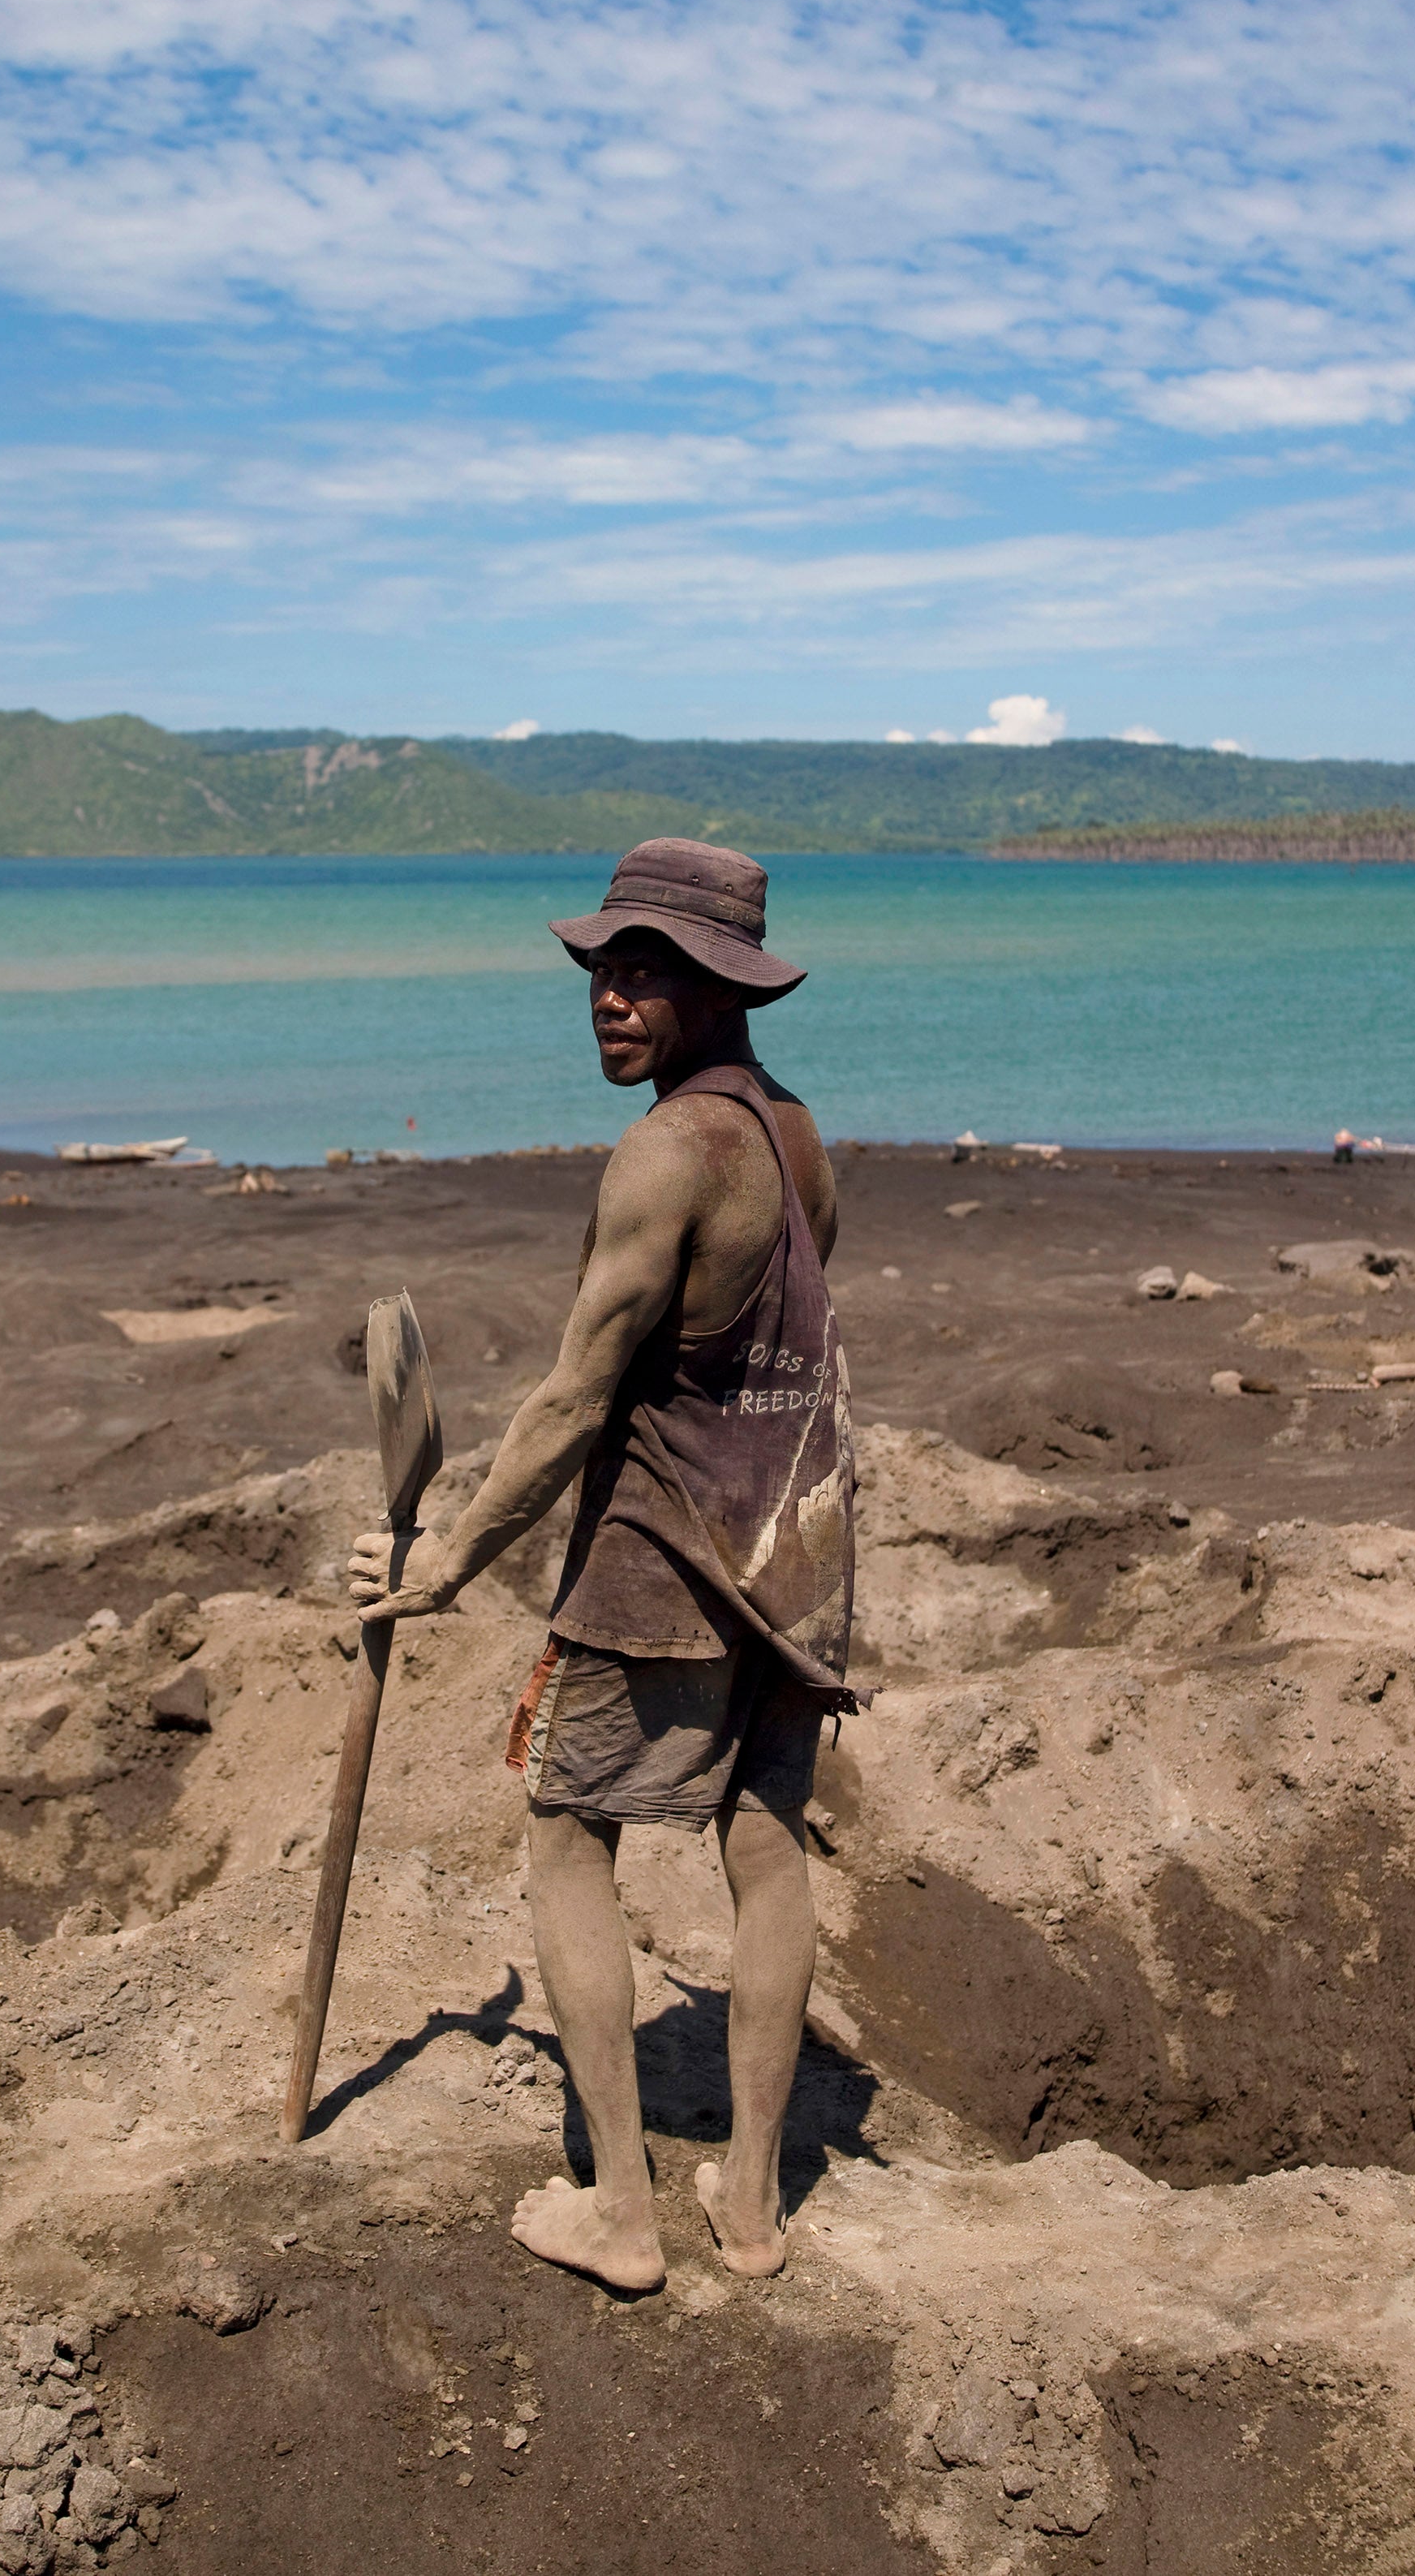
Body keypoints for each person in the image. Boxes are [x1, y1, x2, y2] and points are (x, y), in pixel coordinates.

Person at [345, 838, 859, 2290]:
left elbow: (578, 1397)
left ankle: (624, 2212)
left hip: (670, 1552)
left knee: (569, 1837)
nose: (610, 997)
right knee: (765, 1849)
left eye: (646, 971)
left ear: (717, 984)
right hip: (796, 1545)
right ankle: (748, 2209)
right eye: (602, 969)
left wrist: (450, 1556)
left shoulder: (665, 1154)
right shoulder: (799, 1134)